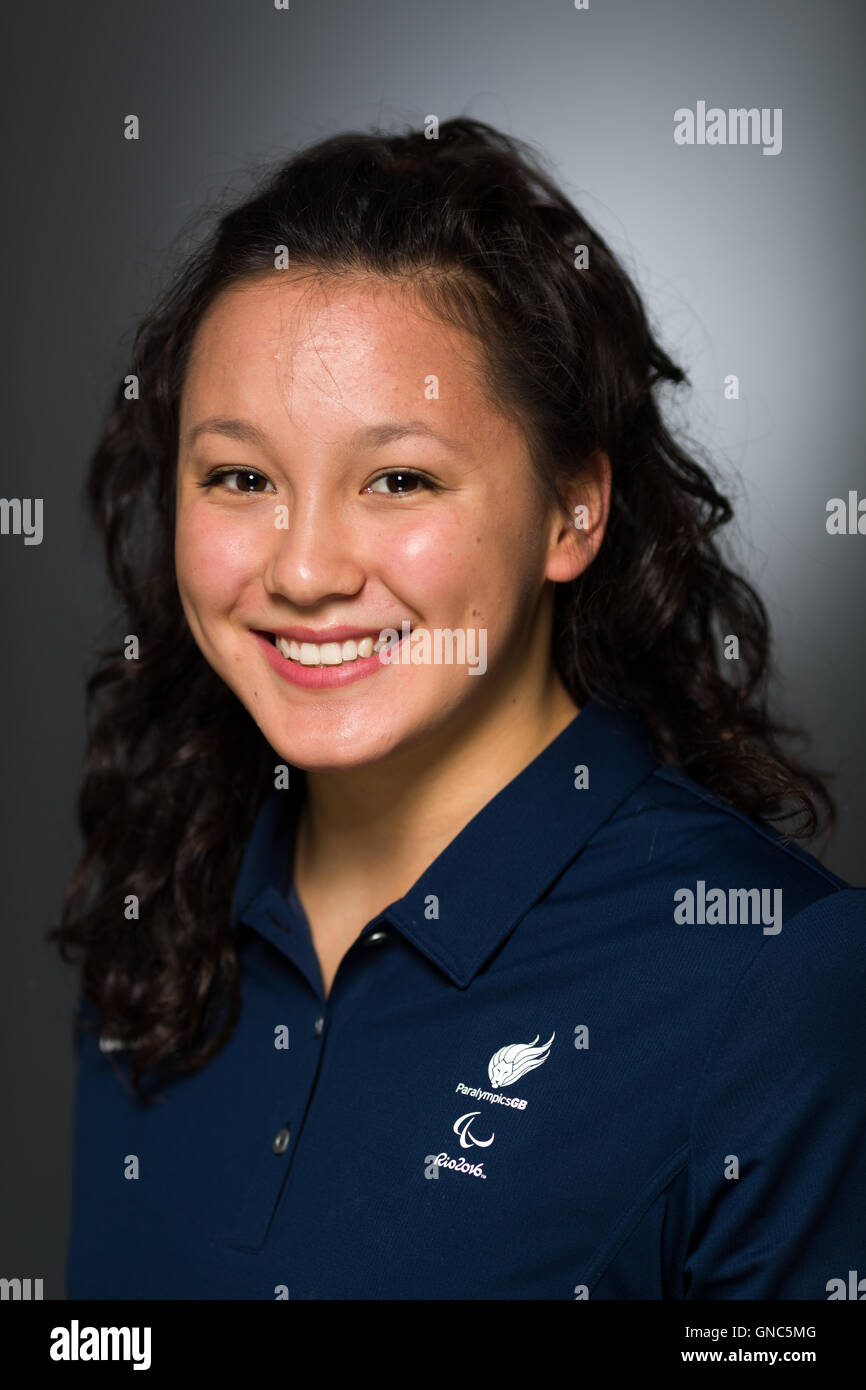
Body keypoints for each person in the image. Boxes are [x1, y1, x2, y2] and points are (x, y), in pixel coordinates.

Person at [55, 117, 866, 1300]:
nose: (303, 569)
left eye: (399, 479)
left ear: (571, 510)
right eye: (240, 477)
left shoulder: (772, 975)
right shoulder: (161, 908)